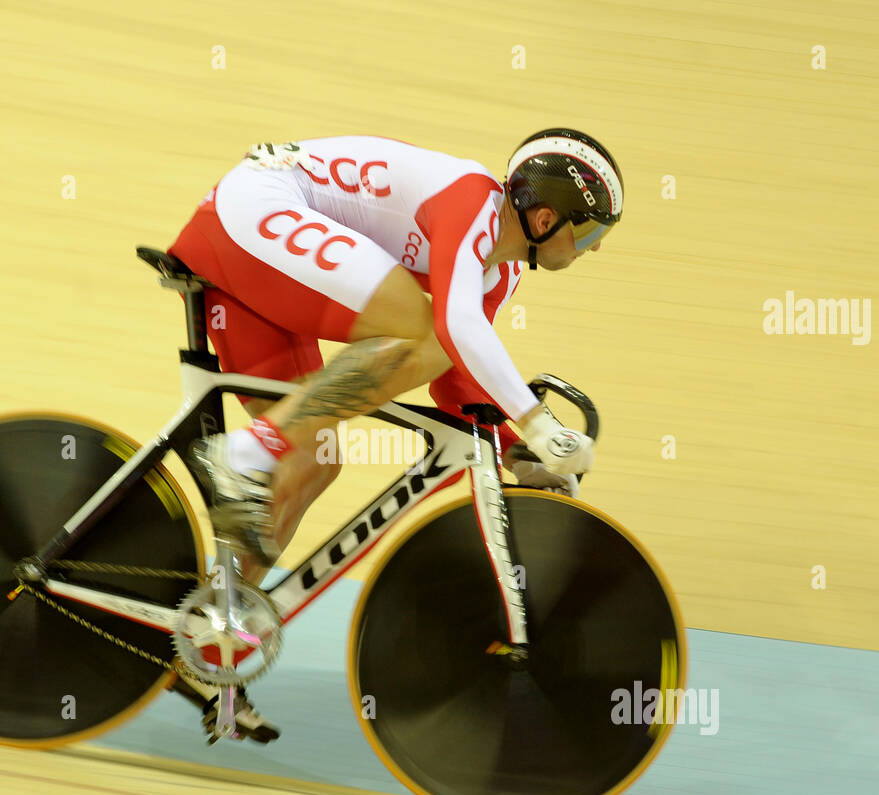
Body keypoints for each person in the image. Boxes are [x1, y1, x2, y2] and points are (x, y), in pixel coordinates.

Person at [165, 128, 624, 742]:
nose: (593, 250)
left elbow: (459, 376)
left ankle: (207, 640)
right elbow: (450, 330)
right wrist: (542, 425)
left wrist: (521, 447)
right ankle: (245, 453)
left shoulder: (496, 275)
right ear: (545, 217)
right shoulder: (474, 202)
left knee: (314, 459)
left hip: (262, 263)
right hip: (255, 212)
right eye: (590, 232)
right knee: (421, 328)